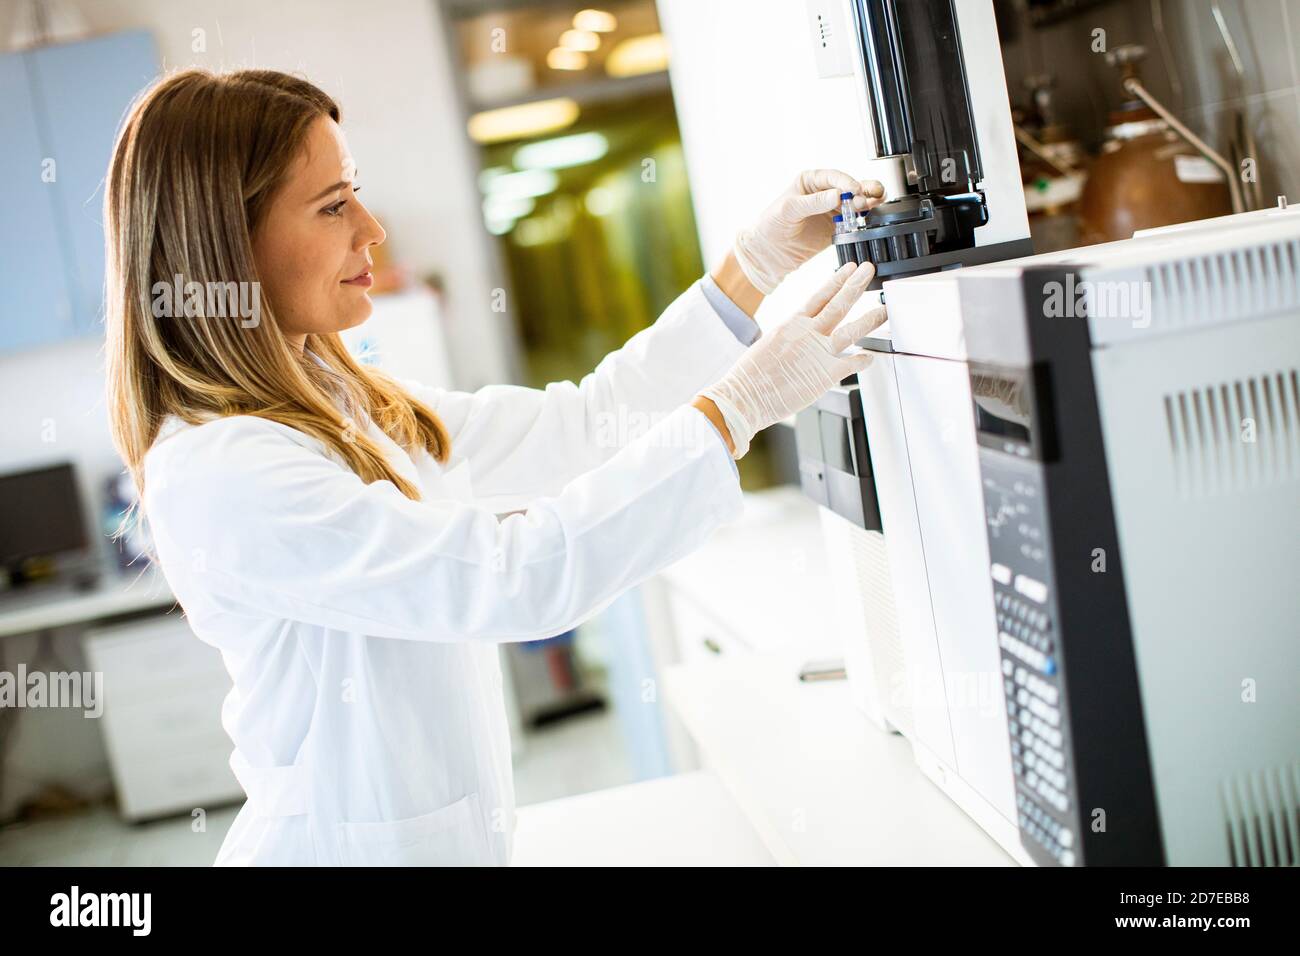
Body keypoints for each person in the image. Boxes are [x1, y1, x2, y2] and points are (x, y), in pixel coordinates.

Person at [105, 68, 886, 866]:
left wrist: (753, 264)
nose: (372, 229)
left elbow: (581, 425)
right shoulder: (223, 471)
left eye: (356, 192)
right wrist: (739, 408)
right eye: (333, 205)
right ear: (228, 246)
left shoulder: (343, 401)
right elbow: (511, 580)